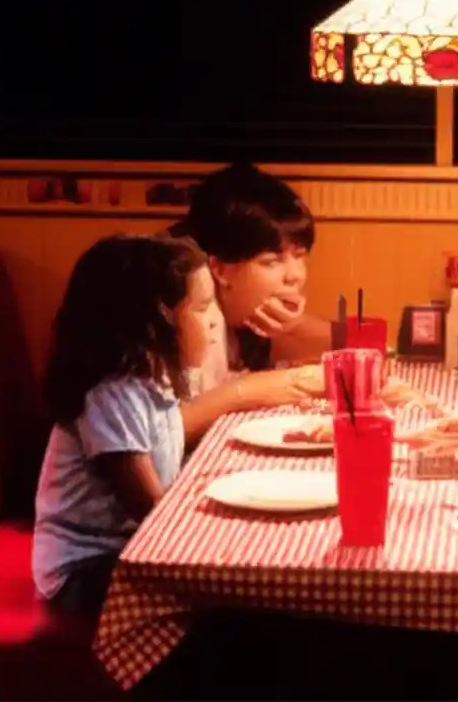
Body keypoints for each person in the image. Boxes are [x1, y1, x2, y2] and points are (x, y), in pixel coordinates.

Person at [32, 235, 321, 617]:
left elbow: (170, 460)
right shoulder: (113, 395)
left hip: (133, 546)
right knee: (250, 606)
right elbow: (151, 511)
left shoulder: (153, 377)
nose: (214, 323)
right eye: (202, 308)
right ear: (159, 316)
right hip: (85, 571)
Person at [168, 162, 331, 373]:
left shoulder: (249, 324)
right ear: (220, 269)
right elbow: (186, 405)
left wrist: (296, 326)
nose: (294, 276)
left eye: (299, 256)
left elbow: (366, 348)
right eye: (272, 261)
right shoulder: (187, 319)